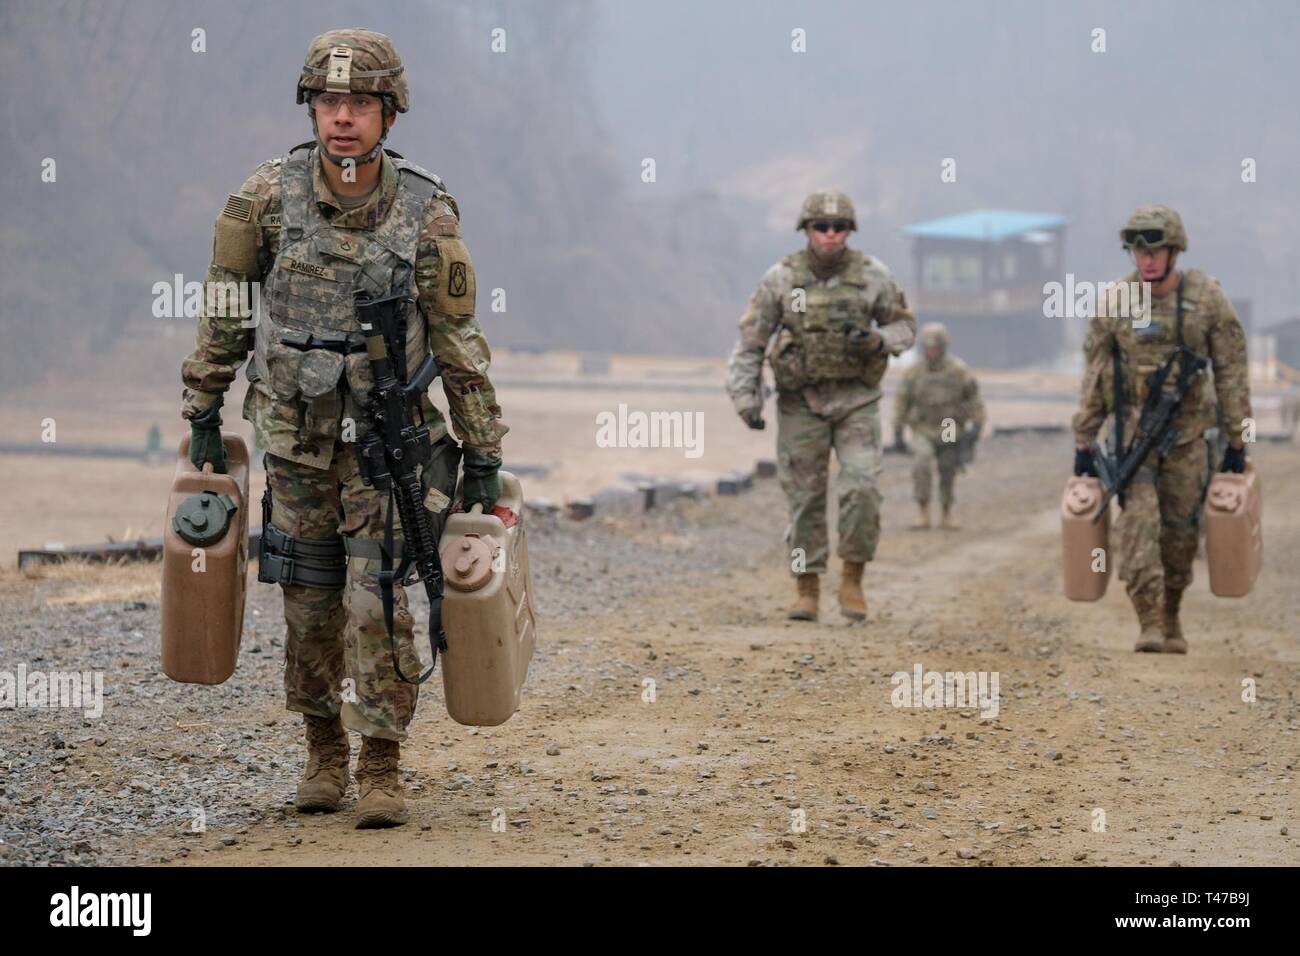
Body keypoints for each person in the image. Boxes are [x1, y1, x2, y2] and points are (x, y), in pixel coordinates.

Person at [181, 29, 508, 826]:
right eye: (330, 101)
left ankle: (383, 765)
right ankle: (323, 754)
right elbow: (227, 310)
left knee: (378, 598)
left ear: (389, 116)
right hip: (293, 436)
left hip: (383, 442)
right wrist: (202, 407)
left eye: (360, 102)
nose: (342, 118)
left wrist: (482, 451)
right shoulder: (264, 197)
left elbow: (458, 339)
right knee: (308, 599)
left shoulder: (427, 211)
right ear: (313, 108)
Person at [726, 189, 916, 622]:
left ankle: (852, 579)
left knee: (862, 488)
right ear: (806, 230)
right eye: (821, 227)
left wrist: (877, 340)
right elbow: (751, 342)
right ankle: (806, 586)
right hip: (801, 404)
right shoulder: (780, 279)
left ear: (849, 232)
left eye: (839, 227)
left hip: (857, 401)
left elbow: (904, 326)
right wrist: (745, 396)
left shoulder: (874, 276)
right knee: (804, 498)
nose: (830, 235)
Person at [1071, 205, 1250, 654]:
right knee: (1138, 525)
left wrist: (1236, 440)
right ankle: (1148, 620)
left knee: (1181, 532)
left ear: (1175, 251)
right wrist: (1084, 439)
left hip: (1189, 439)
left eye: (1156, 250)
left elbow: (1231, 371)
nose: (1146, 259)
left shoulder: (1206, 299)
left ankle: (1171, 612)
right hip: (1133, 440)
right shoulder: (1115, 302)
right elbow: (1095, 373)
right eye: (1138, 250)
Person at [893, 322, 986, 530]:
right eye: (928, 348)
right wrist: (897, 430)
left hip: (948, 425)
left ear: (943, 347)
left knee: (948, 467)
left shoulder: (958, 371)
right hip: (924, 426)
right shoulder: (914, 373)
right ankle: (922, 511)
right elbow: (901, 401)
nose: (931, 352)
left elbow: (974, 398)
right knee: (921, 462)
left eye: (935, 348)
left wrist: (977, 425)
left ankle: (947, 512)